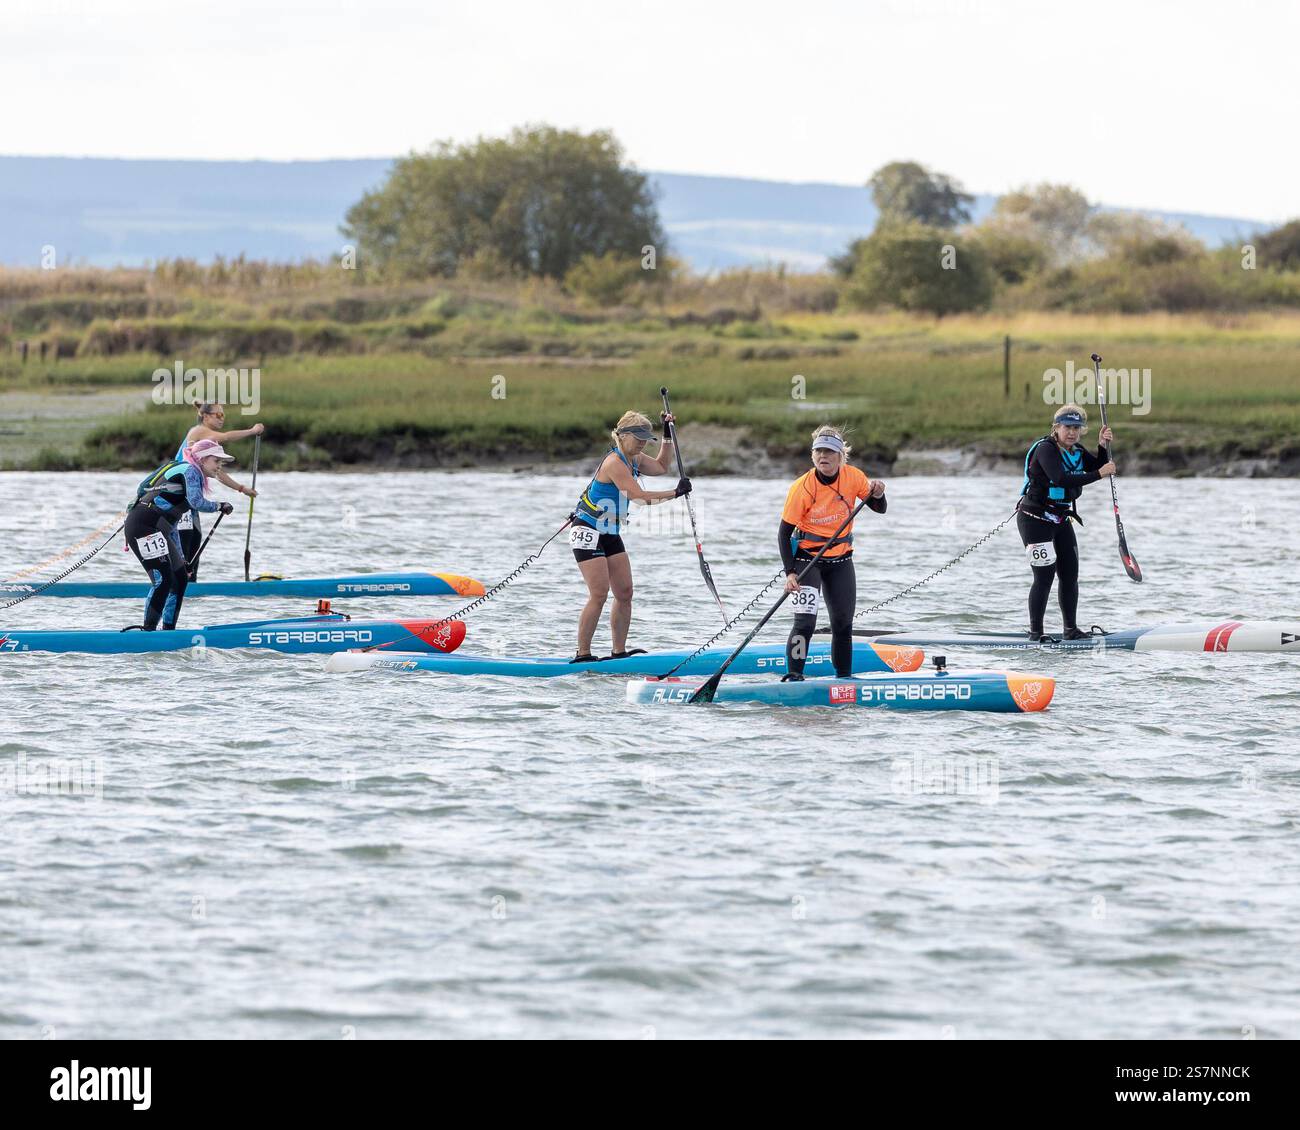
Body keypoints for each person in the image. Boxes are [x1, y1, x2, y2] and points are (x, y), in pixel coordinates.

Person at [570, 410, 691, 662]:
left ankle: (618, 652)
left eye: (647, 437)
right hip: (587, 529)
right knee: (599, 593)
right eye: (638, 437)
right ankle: (583, 654)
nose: (643, 442)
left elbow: (660, 466)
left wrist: (667, 433)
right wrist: (675, 492)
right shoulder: (615, 463)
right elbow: (638, 497)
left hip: (610, 530)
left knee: (625, 592)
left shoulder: (634, 458)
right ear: (623, 436)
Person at [778, 425, 886, 680]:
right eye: (818, 452)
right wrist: (790, 573)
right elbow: (783, 534)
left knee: (843, 624)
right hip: (807, 560)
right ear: (812, 455)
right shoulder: (801, 488)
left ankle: (844, 679)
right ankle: (794, 675)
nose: (823, 457)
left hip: (841, 560)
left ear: (840, 457)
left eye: (828, 452)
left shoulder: (854, 477)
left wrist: (879, 494)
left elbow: (879, 508)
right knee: (805, 623)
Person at [1017, 404, 1116, 641]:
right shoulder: (1045, 450)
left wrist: (1102, 447)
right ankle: (1036, 633)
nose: (1071, 432)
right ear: (1056, 428)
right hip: (1034, 520)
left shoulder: (1077, 451)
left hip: (1061, 519)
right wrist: (1100, 474)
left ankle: (1070, 630)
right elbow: (1060, 479)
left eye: (1076, 428)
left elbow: (1094, 466)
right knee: (1044, 577)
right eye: (1067, 427)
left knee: (1070, 575)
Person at [126, 439, 240, 630]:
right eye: (216, 460)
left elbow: (172, 526)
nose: (219, 466)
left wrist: (180, 557)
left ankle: (169, 632)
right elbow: (197, 502)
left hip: (157, 528)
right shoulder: (190, 471)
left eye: (221, 462)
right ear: (202, 459)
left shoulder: (188, 475)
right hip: (142, 526)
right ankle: (147, 631)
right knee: (163, 579)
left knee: (180, 577)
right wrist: (220, 505)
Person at [173, 402, 263, 578]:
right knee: (187, 541)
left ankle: (191, 586)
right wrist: (252, 431)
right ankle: (179, 584)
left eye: (224, 415)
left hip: (191, 495)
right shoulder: (198, 431)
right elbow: (227, 437)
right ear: (205, 416)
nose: (222, 419)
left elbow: (217, 472)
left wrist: (242, 489)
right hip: (179, 494)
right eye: (218, 415)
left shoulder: (207, 448)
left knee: (195, 541)